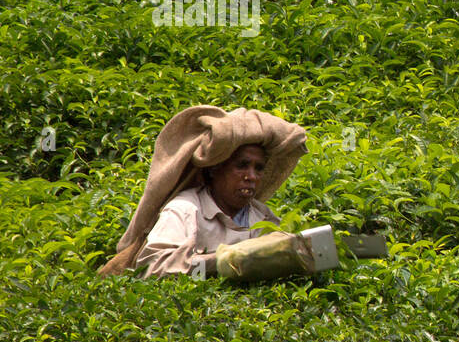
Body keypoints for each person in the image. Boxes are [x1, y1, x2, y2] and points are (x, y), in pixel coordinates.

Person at [98, 106, 307, 278]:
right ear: (216, 168)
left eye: (258, 168)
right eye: (242, 165)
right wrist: (219, 262)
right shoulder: (186, 209)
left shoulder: (262, 216)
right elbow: (152, 267)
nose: (251, 176)